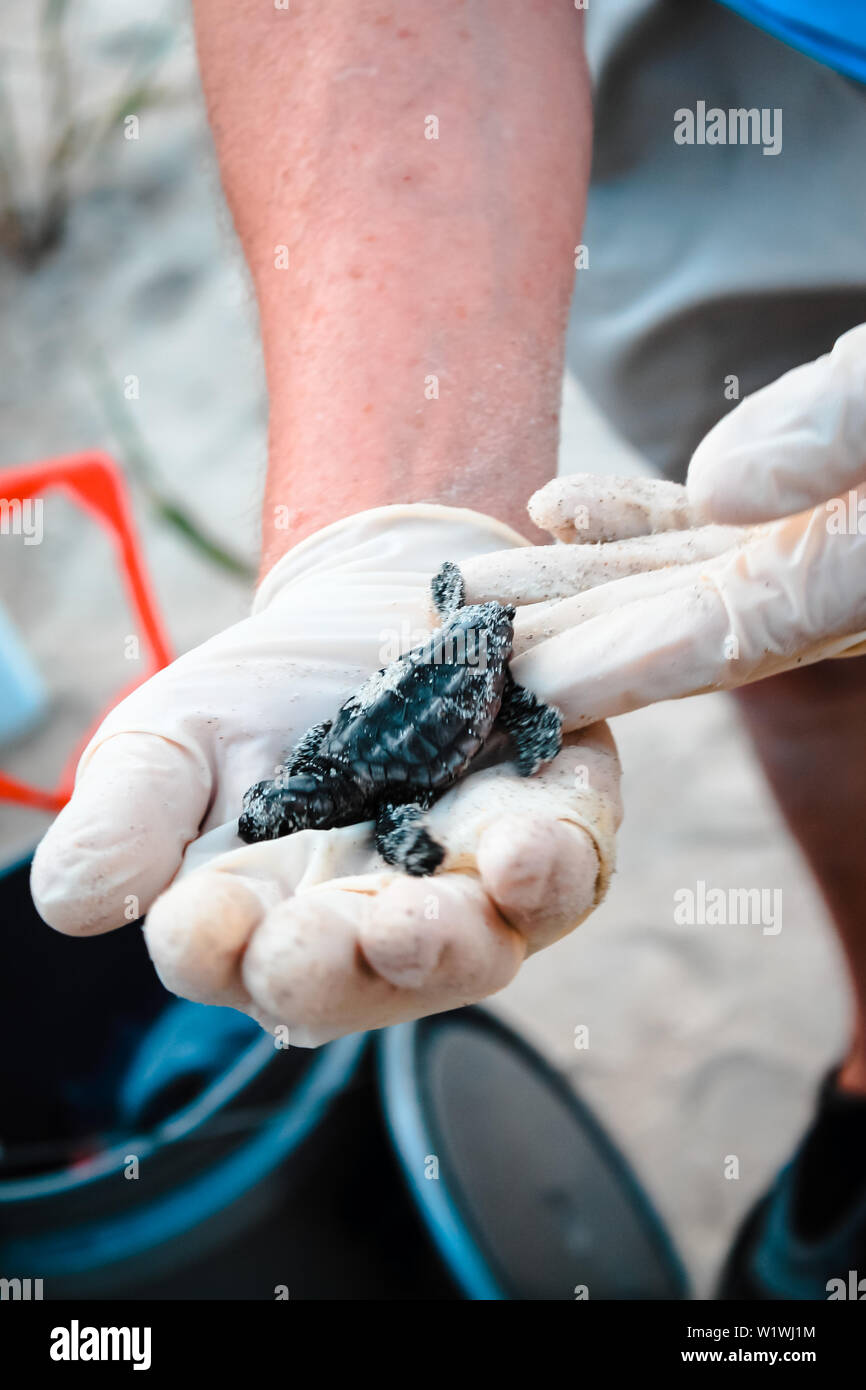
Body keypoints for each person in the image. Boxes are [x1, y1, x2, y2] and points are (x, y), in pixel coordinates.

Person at [30, 1, 866, 1297]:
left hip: (445, 696)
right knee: (775, 604)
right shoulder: (423, 702)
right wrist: (386, 505)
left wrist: (492, 726)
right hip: (756, 42)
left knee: (755, 588)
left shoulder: (437, 715)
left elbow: (426, 742)